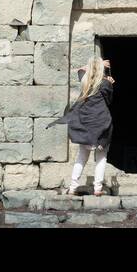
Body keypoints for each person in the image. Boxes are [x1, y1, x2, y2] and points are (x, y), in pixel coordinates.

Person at [49, 57, 114, 196]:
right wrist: (108, 79)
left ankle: (72, 187)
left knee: (81, 157)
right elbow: (109, 100)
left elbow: (81, 70)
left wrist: (95, 65)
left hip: (85, 126)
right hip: (101, 125)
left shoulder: (84, 80)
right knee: (101, 158)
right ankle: (97, 188)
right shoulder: (105, 84)